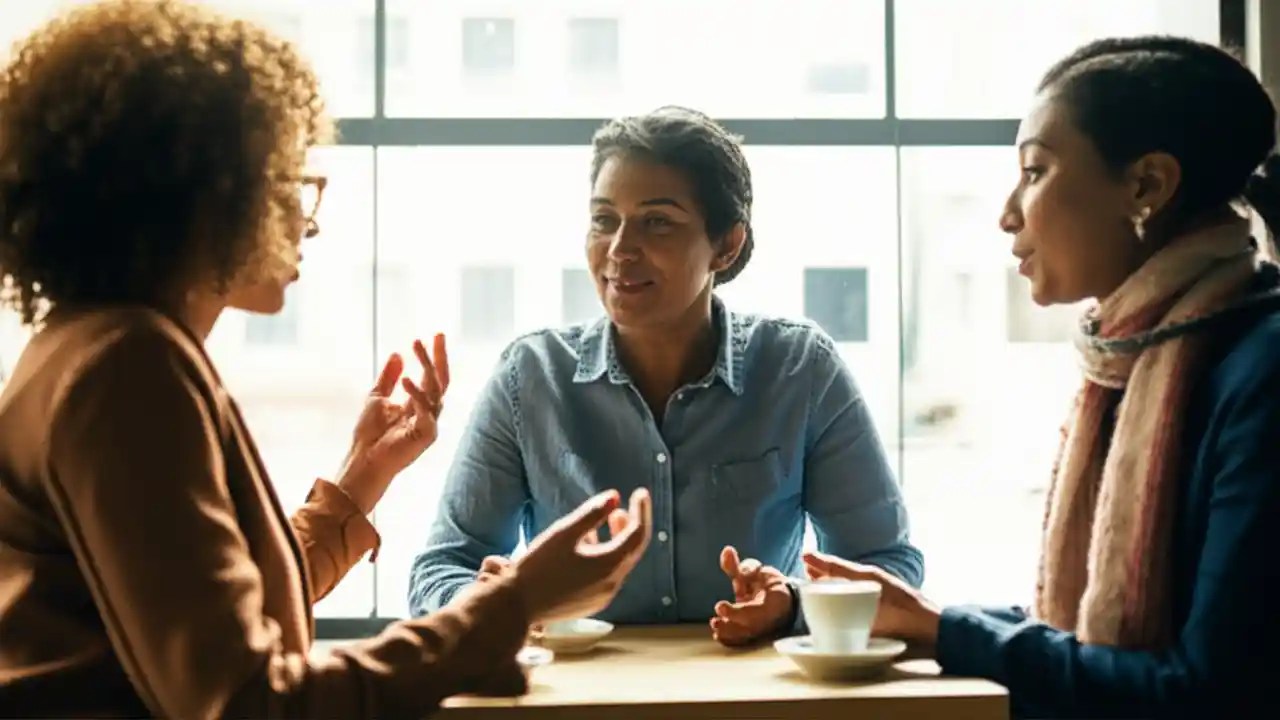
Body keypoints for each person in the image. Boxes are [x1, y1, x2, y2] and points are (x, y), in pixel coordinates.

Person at [0, 2, 651, 718]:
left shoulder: (82, 346)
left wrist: (361, 478)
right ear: (196, 197)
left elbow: (211, 613)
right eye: (281, 182)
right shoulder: (126, 369)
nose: (304, 218)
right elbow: (250, 700)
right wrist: (518, 599)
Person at [796, 37, 1280, 718]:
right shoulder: (1139, 359)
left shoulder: (1259, 374)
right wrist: (905, 613)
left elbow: (1206, 694)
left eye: (1034, 171)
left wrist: (940, 631)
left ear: (1146, 186)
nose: (1007, 213)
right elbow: (1084, 617)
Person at [408, 105, 923, 646]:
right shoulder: (531, 378)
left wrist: (792, 603)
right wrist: (487, 604)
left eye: (657, 222)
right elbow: (440, 569)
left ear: (727, 244)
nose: (620, 249)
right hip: (578, 701)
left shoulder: (801, 371)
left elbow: (887, 566)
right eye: (604, 220)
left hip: (748, 698)